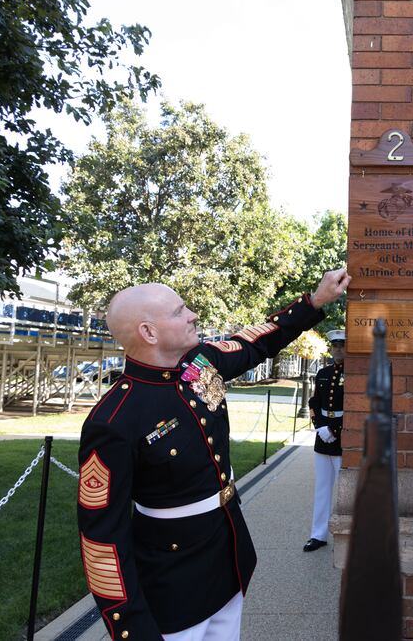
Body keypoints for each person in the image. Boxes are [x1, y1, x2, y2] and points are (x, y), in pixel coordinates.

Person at [77, 269, 351, 641]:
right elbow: (101, 538)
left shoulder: (200, 363)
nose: (193, 315)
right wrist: (131, 626)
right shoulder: (114, 419)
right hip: (173, 583)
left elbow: (256, 341)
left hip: (228, 559)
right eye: (179, 311)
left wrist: (315, 301)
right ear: (148, 332)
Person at [303, 329, 346, 552]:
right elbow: (314, 403)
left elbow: (356, 407)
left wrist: (335, 430)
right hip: (322, 436)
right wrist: (320, 426)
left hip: (342, 438)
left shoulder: (355, 374)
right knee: (322, 488)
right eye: (335, 346)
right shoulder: (323, 372)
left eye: (342, 345)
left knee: (346, 491)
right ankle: (318, 534)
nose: (338, 349)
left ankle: (351, 535)